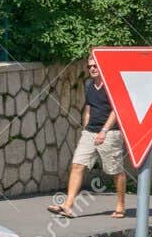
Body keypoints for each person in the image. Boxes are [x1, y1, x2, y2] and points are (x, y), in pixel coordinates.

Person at [47, 55, 128, 219]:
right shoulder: (89, 84)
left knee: (115, 171)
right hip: (90, 132)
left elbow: (116, 111)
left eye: (95, 66)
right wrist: (85, 129)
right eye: (90, 66)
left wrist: (104, 131)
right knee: (77, 164)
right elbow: (89, 108)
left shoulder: (112, 85)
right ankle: (68, 205)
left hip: (110, 133)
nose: (92, 68)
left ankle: (121, 206)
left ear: (103, 67)